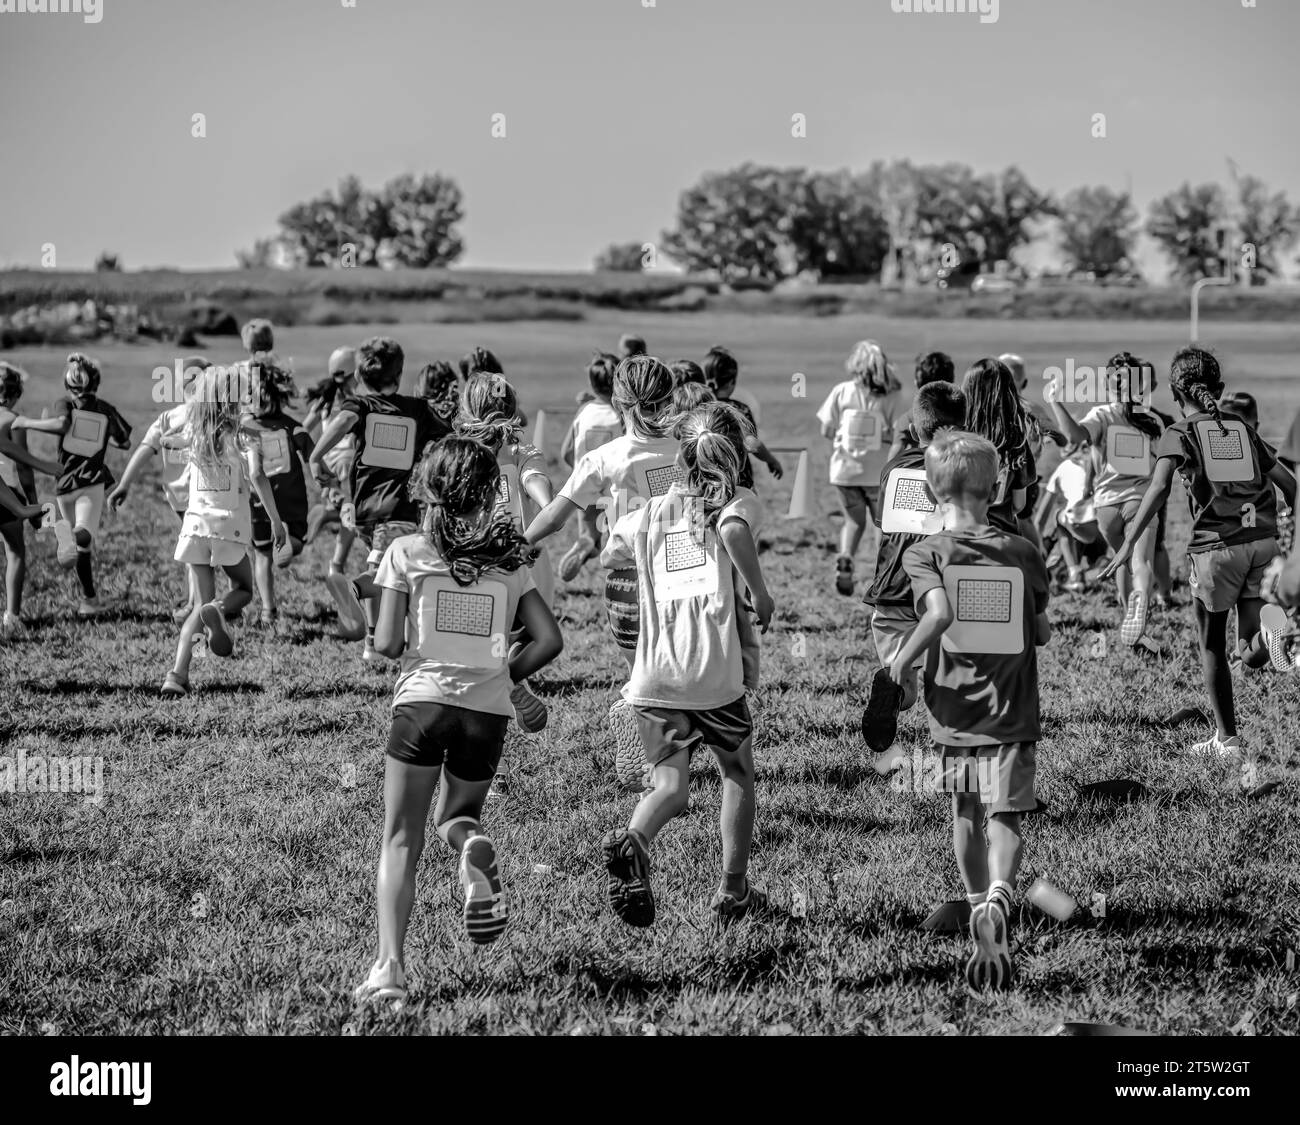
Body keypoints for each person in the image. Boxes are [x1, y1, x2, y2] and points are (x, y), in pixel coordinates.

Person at [355, 438, 562, 1006]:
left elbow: (390, 643)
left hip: (421, 707)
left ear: (430, 489)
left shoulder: (405, 552)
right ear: (492, 493)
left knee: (400, 838)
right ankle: (473, 849)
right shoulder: (511, 560)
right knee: (460, 816)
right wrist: (505, 676)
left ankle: (390, 970)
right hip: (486, 715)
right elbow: (549, 640)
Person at [598, 405, 774, 928]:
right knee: (737, 771)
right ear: (734, 457)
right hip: (714, 677)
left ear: (681, 457)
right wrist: (759, 594)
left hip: (653, 676)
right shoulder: (738, 501)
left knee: (670, 789)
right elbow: (736, 530)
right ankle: (733, 889)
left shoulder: (647, 514)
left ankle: (634, 840)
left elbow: (613, 554)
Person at [892, 430, 1051, 992]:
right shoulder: (1023, 552)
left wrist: (901, 663)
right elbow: (1043, 631)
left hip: (953, 710)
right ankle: (1004, 896)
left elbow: (935, 616)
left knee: (964, 810)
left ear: (932, 491)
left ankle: (979, 900)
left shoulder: (925, 552)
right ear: (998, 486)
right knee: (1005, 814)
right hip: (1012, 709)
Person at [1103, 346, 1296, 758]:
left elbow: (1156, 490)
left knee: (1211, 647)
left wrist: (1127, 544)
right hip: (1262, 545)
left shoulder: (1180, 432)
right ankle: (1272, 633)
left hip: (1216, 551)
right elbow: (1291, 484)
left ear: (1175, 394)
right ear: (1219, 389)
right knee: (1249, 652)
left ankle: (1227, 741)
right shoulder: (1243, 429)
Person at [308, 337, 442, 662]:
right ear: (399, 375)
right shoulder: (417, 410)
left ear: (360, 377)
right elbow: (447, 439)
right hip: (399, 508)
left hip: (364, 512)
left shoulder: (362, 406)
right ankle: (352, 592)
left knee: (379, 567)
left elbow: (342, 422)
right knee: (382, 575)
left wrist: (316, 457)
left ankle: (370, 641)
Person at [160, 365, 286, 696]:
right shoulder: (246, 436)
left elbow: (165, 439)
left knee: (200, 603)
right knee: (243, 588)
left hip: (194, 526)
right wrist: (274, 519)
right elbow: (258, 476)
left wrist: (182, 432)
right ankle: (219, 610)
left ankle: (177, 674)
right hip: (229, 528)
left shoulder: (196, 435)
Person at [860, 382, 967, 755]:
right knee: (943, 676)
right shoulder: (959, 466)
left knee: (901, 680)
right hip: (935, 590)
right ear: (962, 426)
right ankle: (952, 747)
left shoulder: (892, 468)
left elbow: (882, 533)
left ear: (916, 428)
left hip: (889, 587)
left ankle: (892, 689)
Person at [454, 372, 556, 733]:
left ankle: (491, 776)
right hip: (525, 574)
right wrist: (528, 537)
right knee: (530, 637)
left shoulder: (457, 455)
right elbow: (544, 500)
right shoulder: (524, 453)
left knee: (478, 674)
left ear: (467, 409)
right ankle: (510, 675)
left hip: (475, 572)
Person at [1045, 353, 1164, 646]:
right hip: (1141, 502)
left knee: (1119, 561)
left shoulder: (1102, 415)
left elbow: (1074, 436)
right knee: (1140, 561)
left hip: (1106, 507)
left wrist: (1054, 401)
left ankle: (1129, 622)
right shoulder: (1153, 420)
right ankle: (1141, 600)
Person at [12, 353, 132, 617]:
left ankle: (89, 600)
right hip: (91, 481)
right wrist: (103, 435)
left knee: (80, 548)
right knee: (84, 535)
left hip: (64, 482)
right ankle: (64, 533)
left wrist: (30, 422)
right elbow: (124, 442)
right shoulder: (104, 408)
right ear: (96, 384)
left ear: (67, 385)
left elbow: (62, 424)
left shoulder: (63, 403)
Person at [108, 355, 211, 621]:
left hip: (178, 496)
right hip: (206, 495)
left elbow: (144, 450)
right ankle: (199, 605)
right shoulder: (211, 416)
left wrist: (124, 484)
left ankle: (195, 603)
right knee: (201, 551)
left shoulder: (167, 418)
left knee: (195, 549)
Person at [816, 340, 903, 596]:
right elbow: (899, 430)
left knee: (853, 522)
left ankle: (846, 558)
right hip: (877, 473)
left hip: (844, 472)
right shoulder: (892, 396)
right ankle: (883, 571)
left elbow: (826, 430)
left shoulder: (841, 391)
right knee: (881, 524)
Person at [241, 355, 314, 628]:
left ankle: (268, 610)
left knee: (261, 555)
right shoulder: (292, 425)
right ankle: (287, 550)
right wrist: (329, 485)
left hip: (261, 506)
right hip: (289, 504)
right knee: (292, 543)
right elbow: (314, 458)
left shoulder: (247, 428)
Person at [0, 361, 62, 636]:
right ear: (15, 395)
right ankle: (12, 617)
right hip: (8, 493)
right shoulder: (13, 420)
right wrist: (32, 503)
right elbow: (23, 468)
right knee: (15, 552)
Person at [557, 353, 623, 580]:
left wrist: (579, 472)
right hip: (615, 490)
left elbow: (566, 452)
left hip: (585, 486)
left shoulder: (583, 411)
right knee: (615, 537)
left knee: (589, 535)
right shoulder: (621, 415)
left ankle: (586, 542)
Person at [960, 358, 1036, 539]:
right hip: (1003, 536)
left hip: (960, 535)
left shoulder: (956, 439)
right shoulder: (1016, 441)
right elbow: (1019, 504)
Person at [701, 346, 783, 489]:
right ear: (732, 381)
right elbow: (753, 444)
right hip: (738, 486)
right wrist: (771, 460)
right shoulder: (739, 410)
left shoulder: (699, 408)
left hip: (706, 485)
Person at [888, 351, 955, 458]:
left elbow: (894, 456)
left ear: (917, 383)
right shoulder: (960, 412)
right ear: (951, 382)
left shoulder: (910, 417)